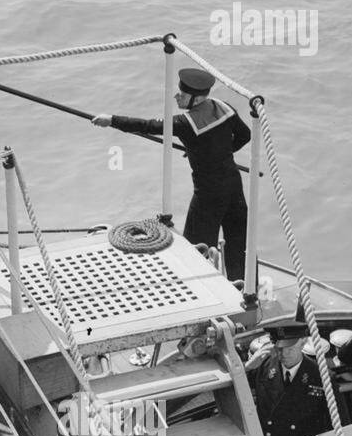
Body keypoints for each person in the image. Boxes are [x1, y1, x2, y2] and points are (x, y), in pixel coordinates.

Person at [93, 67, 251, 282]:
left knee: (197, 248)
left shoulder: (185, 124)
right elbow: (245, 135)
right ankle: (245, 288)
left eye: (182, 94)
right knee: (238, 240)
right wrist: (216, 152)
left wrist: (111, 119)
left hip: (208, 194)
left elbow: (147, 125)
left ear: (196, 99)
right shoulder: (224, 107)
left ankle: (202, 292)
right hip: (233, 186)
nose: (177, 96)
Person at [244, 318, 331, 436]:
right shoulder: (262, 366)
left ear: (303, 342)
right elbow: (234, 393)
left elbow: (336, 425)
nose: (283, 354)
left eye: (290, 348)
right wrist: (248, 366)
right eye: (279, 348)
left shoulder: (321, 376)